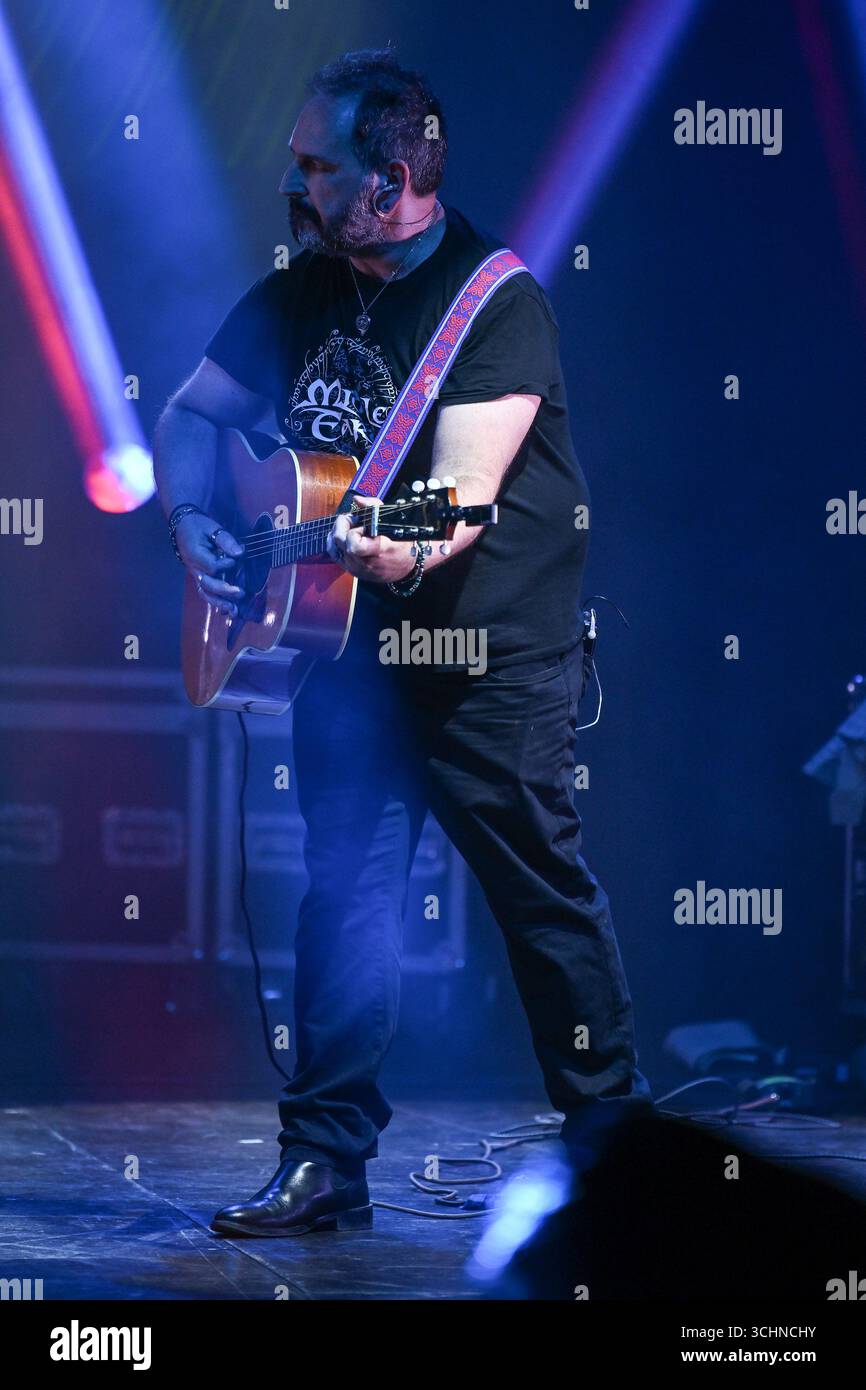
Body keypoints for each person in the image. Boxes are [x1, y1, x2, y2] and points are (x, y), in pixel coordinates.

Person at [154, 48, 651, 1238]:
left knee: (541, 901)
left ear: (391, 179)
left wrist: (404, 547)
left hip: (489, 663)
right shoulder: (302, 287)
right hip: (347, 662)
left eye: (319, 167)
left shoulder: (496, 303)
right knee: (345, 903)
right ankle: (325, 1161)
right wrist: (194, 526)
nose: (298, 183)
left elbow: (460, 500)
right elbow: (187, 416)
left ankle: (618, 1164)